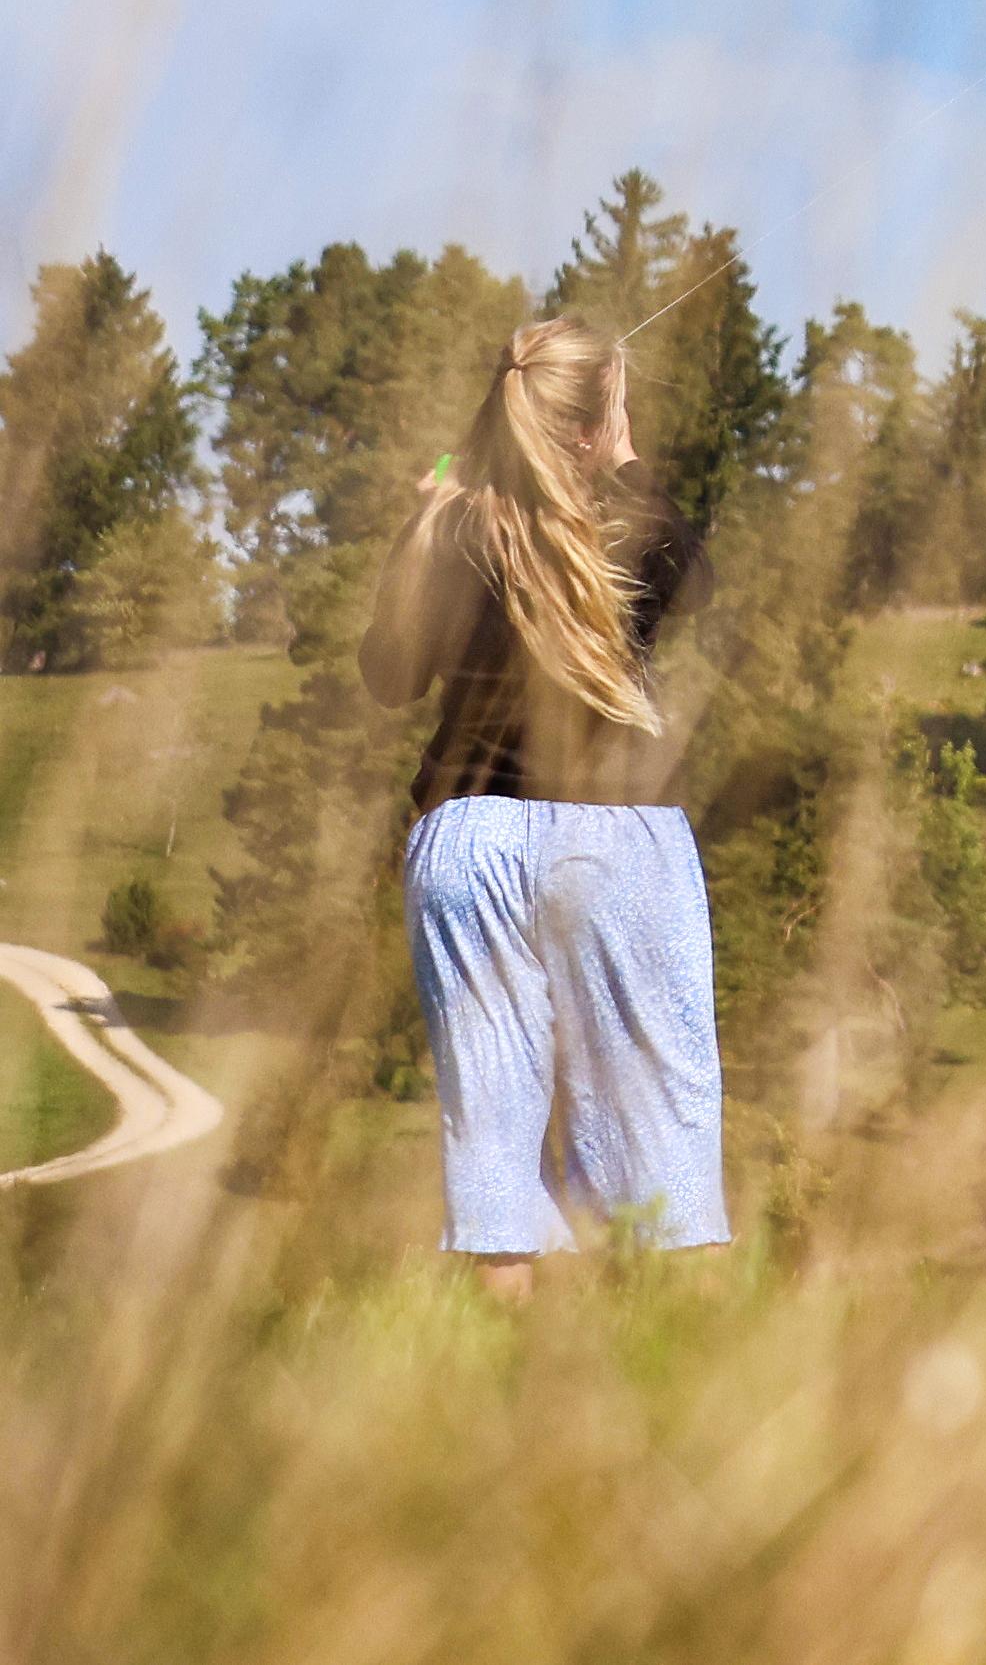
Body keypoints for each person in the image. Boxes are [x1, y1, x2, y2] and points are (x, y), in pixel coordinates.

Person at [354, 315, 725, 1288]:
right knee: (670, 1172)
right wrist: (628, 457)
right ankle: (676, 1392)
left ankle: (511, 1418)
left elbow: (388, 674)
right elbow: (695, 581)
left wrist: (423, 518)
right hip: (621, 842)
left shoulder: (454, 526)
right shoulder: (635, 530)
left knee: (496, 1186)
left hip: (468, 841)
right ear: (600, 426)